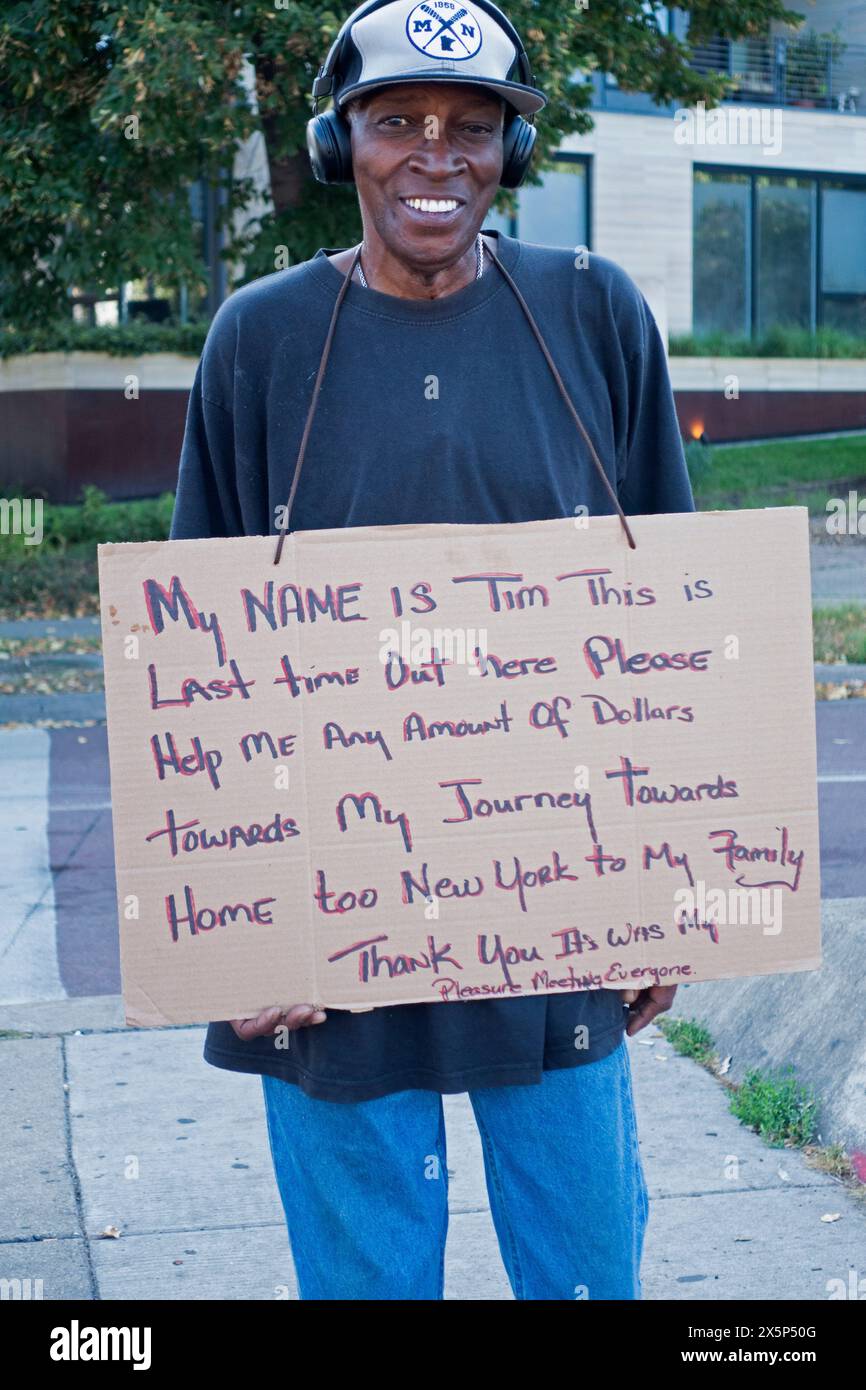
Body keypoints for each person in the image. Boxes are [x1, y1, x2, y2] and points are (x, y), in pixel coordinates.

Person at [171, 0, 695, 1300]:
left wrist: (661, 894)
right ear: (339, 138)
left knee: (586, 1271)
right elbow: (198, 660)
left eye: (472, 128)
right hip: (328, 931)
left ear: (515, 152)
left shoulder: (592, 314)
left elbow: (668, 631)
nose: (434, 156)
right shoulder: (262, 339)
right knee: (365, 1284)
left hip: (557, 910)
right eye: (396, 121)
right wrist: (234, 937)